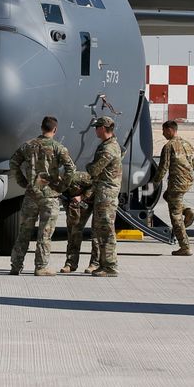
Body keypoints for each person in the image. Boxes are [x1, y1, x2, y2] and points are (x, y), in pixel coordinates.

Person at [8, 116, 75, 276]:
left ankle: (16, 265)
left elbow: (13, 162)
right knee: (45, 234)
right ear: (55, 129)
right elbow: (71, 169)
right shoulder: (58, 148)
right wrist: (62, 186)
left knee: (24, 232)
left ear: (41, 128)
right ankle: (40, 267)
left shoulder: (28, 146)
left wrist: (23, 181)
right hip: (49, 196)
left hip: (31, 194)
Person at [68, 115, 123, 276]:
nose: (95, 130)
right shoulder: (110, 144)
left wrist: (88, 166)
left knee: (106, 230)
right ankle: (104, 265)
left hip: (107, 195)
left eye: (97, 127)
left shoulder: (108, 149)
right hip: (103, 193)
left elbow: (93, 170)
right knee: (100, 231)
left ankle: (110, 266)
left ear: (103, 128)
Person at [151, 119, 194, 256]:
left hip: (176, 184)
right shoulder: (187, 144)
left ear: (170, 130)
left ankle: (185, 246)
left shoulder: (169, 146)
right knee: (168, 196)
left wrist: (154, 183)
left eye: (164, 130)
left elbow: (163, 167)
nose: (163, 133)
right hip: (187, 181)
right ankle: (187, 211)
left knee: (175, 216)